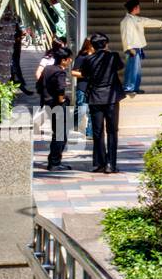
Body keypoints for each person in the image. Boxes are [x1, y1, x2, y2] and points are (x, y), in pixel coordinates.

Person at [82, 33, 126, 174]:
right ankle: (111, 164)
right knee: (112, 131)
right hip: (111, 98)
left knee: (97, 132)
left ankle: (99, 163)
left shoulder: (88, 59)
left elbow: (85, 74)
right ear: (106, 44)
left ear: (93, 46)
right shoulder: (113, 56)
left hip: (95, 97)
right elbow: (120, 67)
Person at [119, 0, 162, 96]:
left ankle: (135, 87)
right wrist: (129, 47)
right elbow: (126, 35)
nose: (139, 8)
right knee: (132, 68)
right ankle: (128, 87)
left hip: (137, 46)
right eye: (138, 6)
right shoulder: (126, 21)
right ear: (135, 8)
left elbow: (148, 21)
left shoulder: (136, 19)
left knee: (137, 69)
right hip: (132, 47)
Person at [39, 46, 74, 171]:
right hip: (58, 105)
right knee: (61, 135)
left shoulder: (47, 69)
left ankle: (53, 160)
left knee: (57, 133)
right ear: (64, 60)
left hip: (48, 103)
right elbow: (60, 88)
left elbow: (39, 85)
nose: (70, 61)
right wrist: (62, 99)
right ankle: (54, 162)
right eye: (69, 59)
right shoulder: (60, 71)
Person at [71, 38, 95, 138]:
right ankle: (74, 124)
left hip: (93, 87)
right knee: (81, 109)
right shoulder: (81, 57)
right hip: (83, 87)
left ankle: (90, 133)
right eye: (93, 45)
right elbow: (73, 72)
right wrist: (87, 75)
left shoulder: (96, 57)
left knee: (91, 111)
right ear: (89, 45)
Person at [9, 25, 32, 95]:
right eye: (20, 37)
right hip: (13, 60)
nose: (21, 38)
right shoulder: (14, 43)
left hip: (15, 60)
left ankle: (22, 88)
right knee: (14, 76)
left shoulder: (16, 43)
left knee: (14, 76)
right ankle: (23, 89)